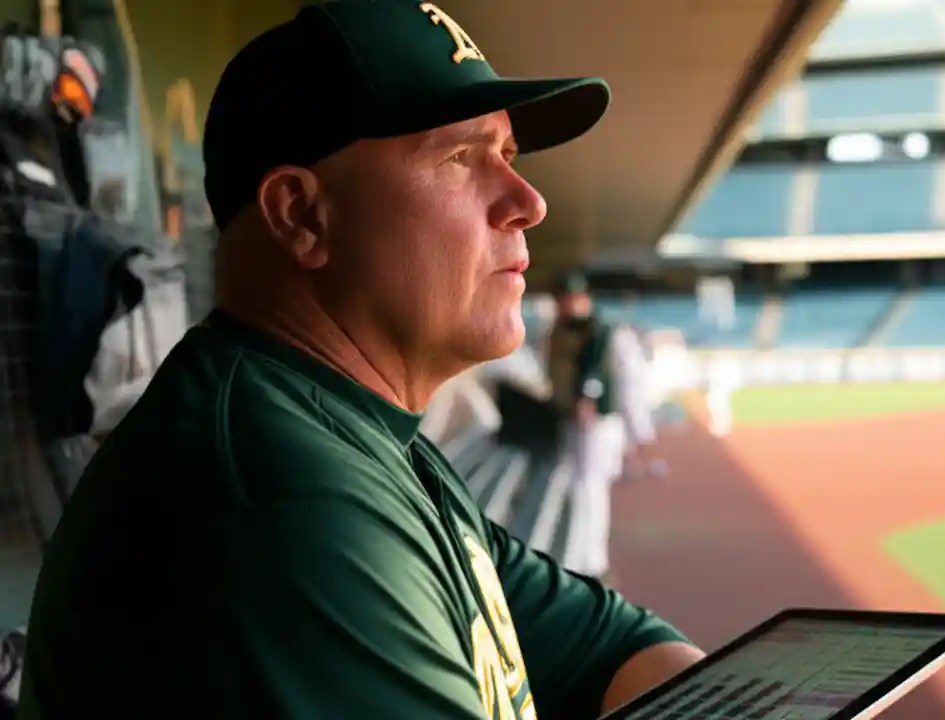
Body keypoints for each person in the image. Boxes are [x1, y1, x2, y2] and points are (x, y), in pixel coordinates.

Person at [18, 3, 704, 718]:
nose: (528, 202)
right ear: (302, 215)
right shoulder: (280, 496)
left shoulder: (369, 437)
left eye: (508, 157)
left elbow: (614, 649)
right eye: (461, 157)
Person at [544, 271, 625, 581]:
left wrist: (587, 397)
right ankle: (584, 557)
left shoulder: (596, 328)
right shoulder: (561, 329)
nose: (567, 303)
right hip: (573, 418)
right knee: (581, 486)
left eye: (572, 297)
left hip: (596, 421)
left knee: (590, 487)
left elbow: (593, 370)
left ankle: (593, 561)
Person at [609, 321, 668, 480]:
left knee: (641, 430)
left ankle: (654, 462)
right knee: (627, 434)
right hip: (625, 393)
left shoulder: (630, 348)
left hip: (633, 395)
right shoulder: (625, 345)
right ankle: (632, 465)